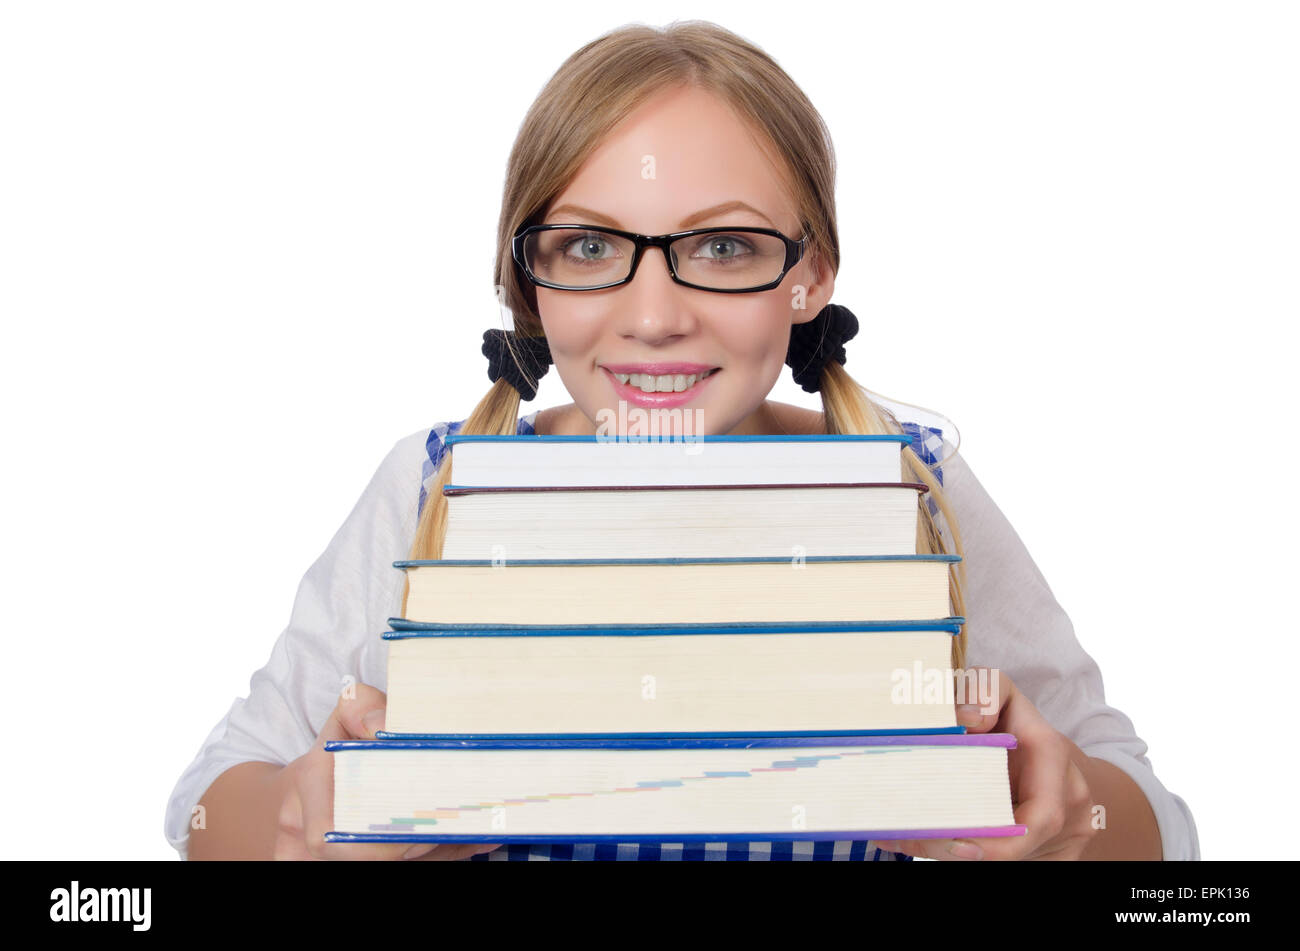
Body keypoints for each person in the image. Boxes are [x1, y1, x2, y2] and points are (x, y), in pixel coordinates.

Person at [169, 20, 1199, 861]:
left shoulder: (910, 489)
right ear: (525, 282)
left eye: (722, 247)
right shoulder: (436, 490)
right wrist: (305, 830)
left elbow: (1157, 823)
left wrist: (1064, 822)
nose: (653, 315)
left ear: (810, 277)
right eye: (587, 246)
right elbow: (211, 801)